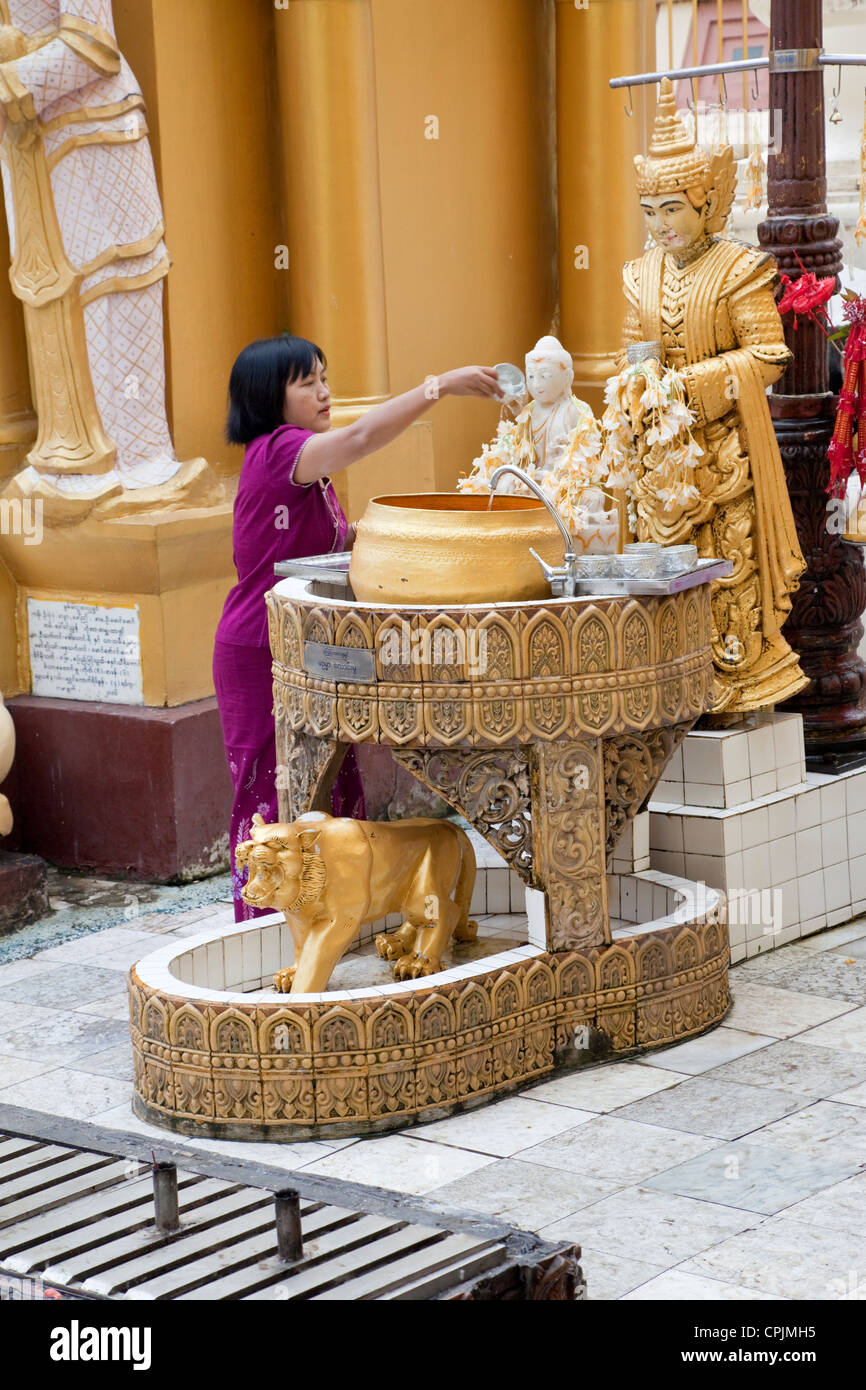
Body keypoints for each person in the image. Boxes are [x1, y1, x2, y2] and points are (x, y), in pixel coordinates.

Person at [214, 334, 502, 920]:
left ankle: (336, 920)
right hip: (256, 648)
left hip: (308, 645)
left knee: (331, 787)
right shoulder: (279, 451)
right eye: (306, 382)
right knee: (274, 794)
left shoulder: (308, 467)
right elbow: (364, 437)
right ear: (271, 397)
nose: (324, 392)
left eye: (325, 376)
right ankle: (264, 932)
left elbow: (341, 549)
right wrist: (439, 385)